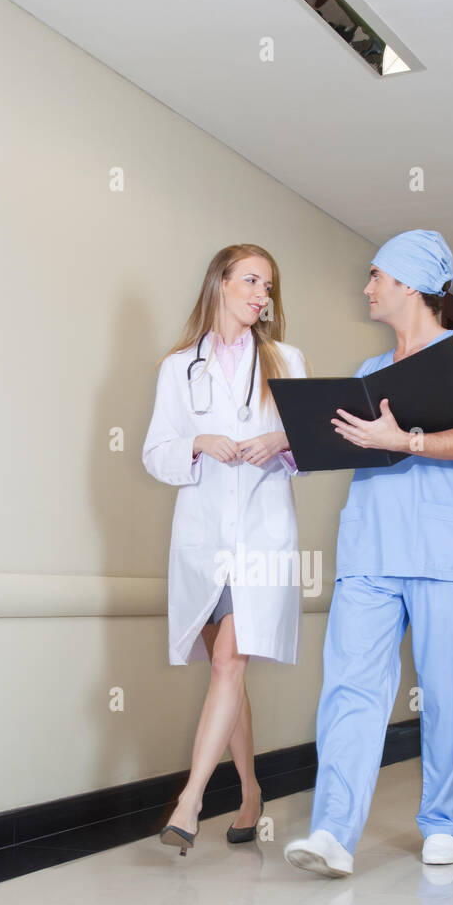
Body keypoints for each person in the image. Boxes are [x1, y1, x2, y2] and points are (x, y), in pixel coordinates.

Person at [284, 229, 453, 877]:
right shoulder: (369, 373)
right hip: (370, 551)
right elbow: (347, 444)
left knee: (442, 692)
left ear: (410, 283)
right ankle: (333, 831)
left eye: (377, 276)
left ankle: (441, 823)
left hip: (441, 552)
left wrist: (404, 438)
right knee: (350, 689)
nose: (368, 287)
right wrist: (292, 440)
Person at [142, 244, 307, 855]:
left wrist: (279, 441)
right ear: (219, 284)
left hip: (262, 537)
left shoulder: (285, 360)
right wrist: (196, 443)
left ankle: (189, 802)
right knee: (225, 674)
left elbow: (312, 441)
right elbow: (156, 452)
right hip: (203, 539)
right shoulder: (179, 367)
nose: (261, 294)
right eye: (250, 280)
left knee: (230, 663)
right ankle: (251, 793)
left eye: (269, 284)